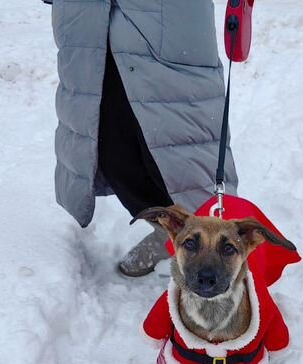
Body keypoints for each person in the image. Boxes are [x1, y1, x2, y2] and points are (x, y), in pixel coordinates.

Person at [48, 0, 239, 276]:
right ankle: (172, 232)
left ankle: (220, 252)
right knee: (107, 142)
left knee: (179, 142)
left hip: (163, 16)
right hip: (86, 18)